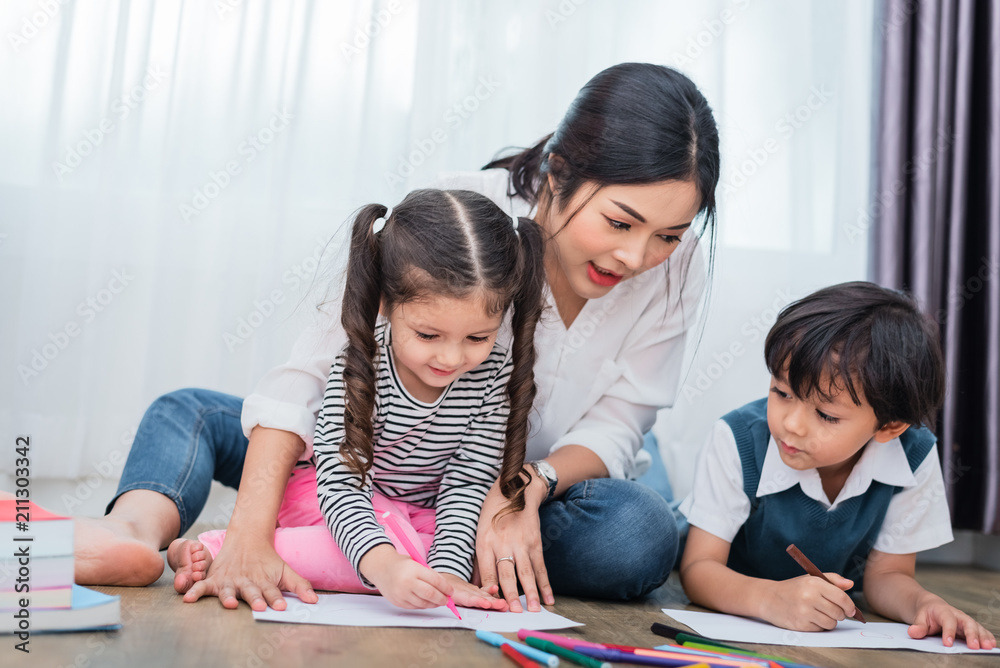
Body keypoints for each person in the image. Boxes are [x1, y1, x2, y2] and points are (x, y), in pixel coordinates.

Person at [76, 62, 721, 612]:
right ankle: (134, 529)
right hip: (360, 451)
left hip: (499, 485)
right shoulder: (453, 218)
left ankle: (449, 548)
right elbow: (314, 374)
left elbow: (618, 425)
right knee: (190, 411)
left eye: (669, 234)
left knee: (637, 533)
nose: (638, 257)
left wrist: (524, 489)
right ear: (557, 173)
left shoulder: (677, 270)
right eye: (619, 222)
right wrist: (249, 535)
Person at [167, 189, 544, 610]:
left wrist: (449, 579)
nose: (453, 358)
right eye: (427, 335)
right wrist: (383, 563)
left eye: (478, 337)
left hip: (418, 514)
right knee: (396, 547)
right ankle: (219, 549)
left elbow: (466, 484)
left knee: (457, 553)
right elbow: (341, 482)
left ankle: (308, 554)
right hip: (329, 496)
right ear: (385, 302)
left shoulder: (496, 374)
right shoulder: (361, 361)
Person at [678, 282, 997, 650]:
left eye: (826, 416)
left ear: (890, 426)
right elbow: (698, 569)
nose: (792, 424)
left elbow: (887, 576)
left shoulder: (914, 456)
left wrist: (926, 604)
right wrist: (769, 599)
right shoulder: (737, 438)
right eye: (782, 393)